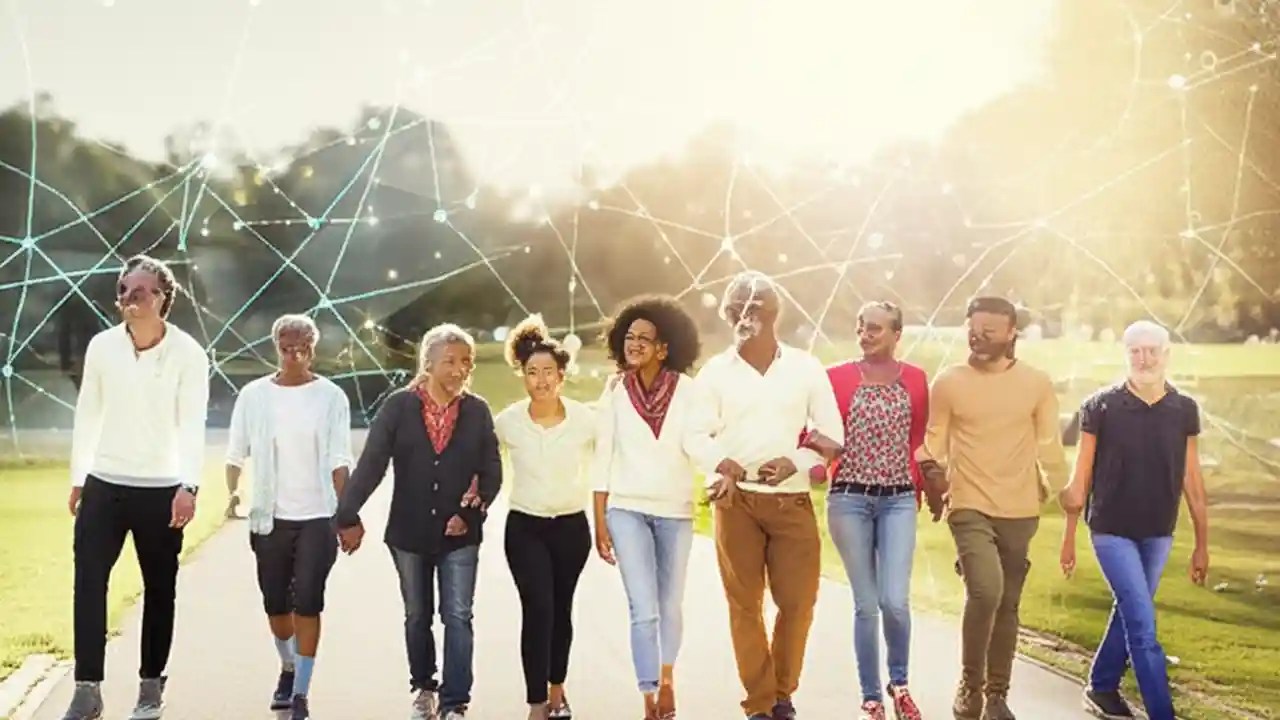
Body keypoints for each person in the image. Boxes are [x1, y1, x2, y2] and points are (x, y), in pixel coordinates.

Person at [62, 254, 210, 720]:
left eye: (140, 291)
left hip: (162, 489)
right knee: (88, 583)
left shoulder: (188, 354)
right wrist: (78, 477)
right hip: (104, 484)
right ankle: (87, 690)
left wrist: (190, 485)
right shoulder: (102, 347)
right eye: (124, 290)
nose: (129, 298)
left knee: (159, 589)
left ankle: (150, 691)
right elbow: (88, 413)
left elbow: (192, 425)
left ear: (163, 299)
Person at [692, 271, 843, 720]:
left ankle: (782, 690)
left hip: (791, 502)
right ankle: (761, 704)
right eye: (734, 311)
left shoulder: (805, 367)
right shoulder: (716, 372)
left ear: (771, 315)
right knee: (744, 605)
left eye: (751, 310)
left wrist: (795, 460)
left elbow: (832, 433)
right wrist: (722, 462)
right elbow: (695, 434)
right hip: (735, 502)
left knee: (798, 603)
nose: (742, 318)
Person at [333, 323, 502, 720]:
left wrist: (469, 514)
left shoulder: (476, 410)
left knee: (458, 615)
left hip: (460, 535)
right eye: (450, 361)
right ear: (428, 363)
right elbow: (372, 463)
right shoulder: (399, 407)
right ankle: (424, 688)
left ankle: (455, 701)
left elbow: (491, 470)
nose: (460, 369)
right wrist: (346, 514)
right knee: (417, 615)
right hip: (408, 533)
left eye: (466, 362)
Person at [917, 296, 1069, 720]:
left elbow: (1049, 446)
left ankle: (997, 694)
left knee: (1008, 602)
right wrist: (930, 468)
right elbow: (933, 440)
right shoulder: (949, 382)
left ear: (1010, 333)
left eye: (989, 330)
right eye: (972, 328)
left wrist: (1067, 491)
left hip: (1020, 508)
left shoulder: (1036, 383)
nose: (978, 337)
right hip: (968, 503)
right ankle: (970, 685)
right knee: (986, 590)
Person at [1058, 320, 1209, 720]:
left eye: (1151, 351)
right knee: (1142, 626)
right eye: (1135, 351)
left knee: (1130, 608)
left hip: (1159, 530)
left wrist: (1202, 544)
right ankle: (1163, 713)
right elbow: (1081, 480)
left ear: (1165, 355)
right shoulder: (1100, 407)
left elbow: (1192, 480)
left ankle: (1102, 687)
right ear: (1125, 355)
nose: (1143, 359)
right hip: (1111, 529)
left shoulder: (1184, 409)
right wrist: (1069, 536)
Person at [224, 314, 354, 720]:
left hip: (318, 517)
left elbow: (339, 458)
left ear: (313, 348)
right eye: (286, 346)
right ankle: (288, 664)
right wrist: (232, 493)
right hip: (270, 518)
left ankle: (300, 693)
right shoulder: (254, 396)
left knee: (308, 604)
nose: (294, 353)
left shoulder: (331, 397)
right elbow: (235, 451)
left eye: (302, 346)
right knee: (276, 607)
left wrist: (346, 514)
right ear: (276, 347)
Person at [591, 295, 711, 720]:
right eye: (629, 336)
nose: (634, 344)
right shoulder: (614, 390)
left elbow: (698, 443)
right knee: (643, 608)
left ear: (664, 347)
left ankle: (667, 676)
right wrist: (600, 520)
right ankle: (649, 696)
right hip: (626, 511)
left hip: (675, 512)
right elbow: (602, 456)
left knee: (670, 604)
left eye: (645, 338)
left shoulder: (688, 391)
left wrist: (719, 473)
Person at [822, 301, 928, 720]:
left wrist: (930, 486)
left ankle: (899, 684)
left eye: (876, 329)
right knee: (866, 603)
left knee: (895, 601)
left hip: (899, 499)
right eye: (861, 327)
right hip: (849, 498)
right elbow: (812, 430)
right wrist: (817, 455)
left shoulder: (917, 380)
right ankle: (871, 697)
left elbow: (918, 439)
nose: (865, 335)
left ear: (897, 334)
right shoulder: (835, 378)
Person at [492, 315, 595, 720]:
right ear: (523, 376)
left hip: (572, 528)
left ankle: (558, 692)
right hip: (525, 527)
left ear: (562, 375)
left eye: (548, 372)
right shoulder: (508, 421)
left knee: (561, 609)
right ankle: (537, 703)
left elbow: (614, 457)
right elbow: (479, 458)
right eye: (532, 372)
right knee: (538, 609)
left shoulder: (587, 419)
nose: (541, 380)